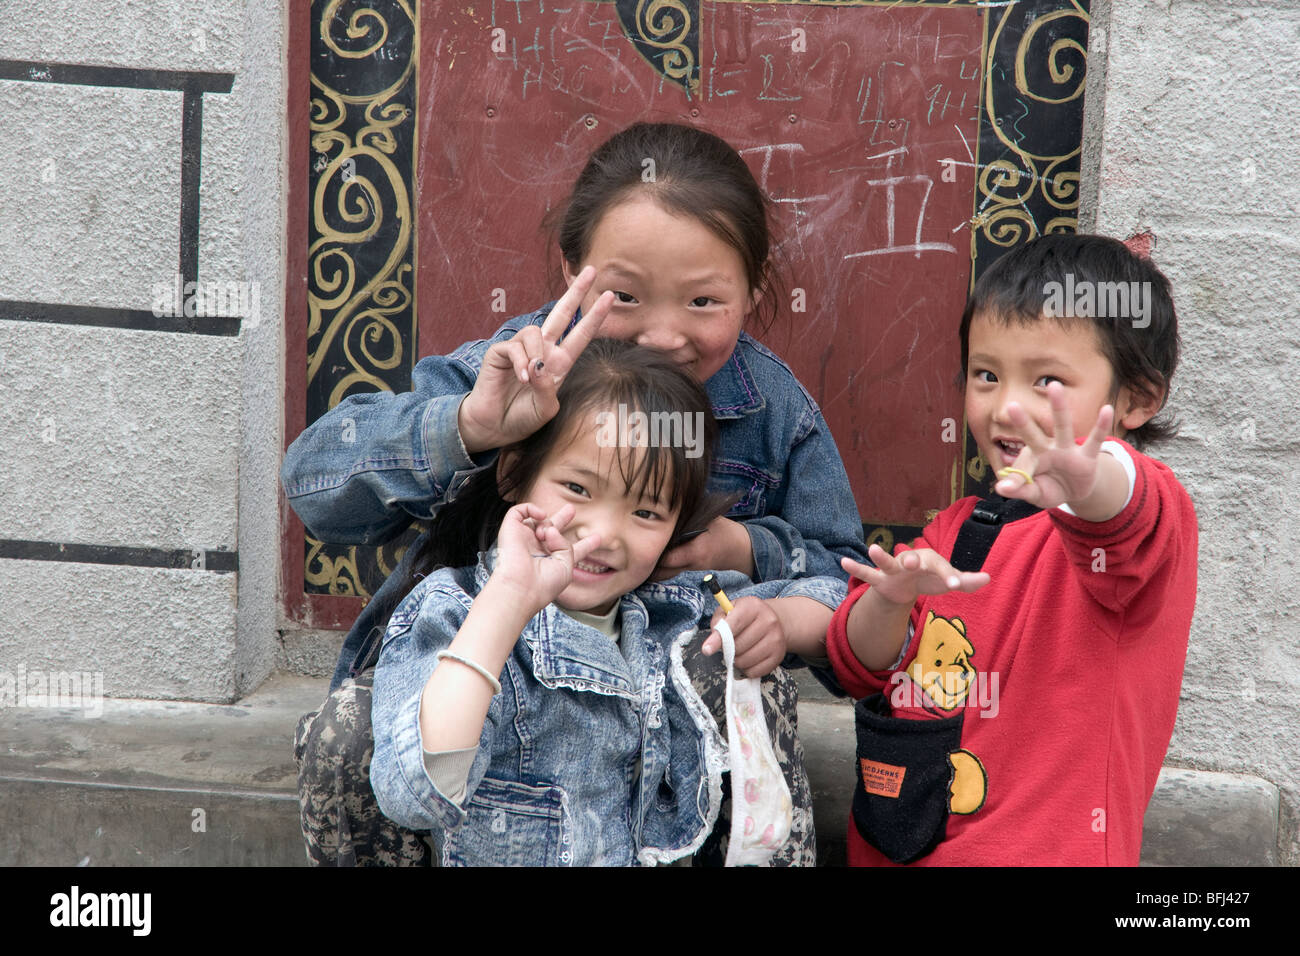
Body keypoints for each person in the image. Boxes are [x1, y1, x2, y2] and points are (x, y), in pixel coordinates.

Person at [284, 121, 866, 865]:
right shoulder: (520, 368)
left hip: (652, 696)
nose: (660, 335)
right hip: (488, 676)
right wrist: (471, 424)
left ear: (752, 288)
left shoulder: (771, 409)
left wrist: (746, 550)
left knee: (751, 686)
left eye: (702, 303)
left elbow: (844, 583)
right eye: (624, 294)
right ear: (572, 271)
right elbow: (313, 486)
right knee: (353, 732)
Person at [369, 338, 841, 865]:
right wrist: (506, 602)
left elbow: (833, 596)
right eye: (577, 488)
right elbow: (414, 791)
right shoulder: (455, 612)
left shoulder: (674, 608)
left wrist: (778, 620)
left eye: (645, 513)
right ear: (514, 473)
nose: (606, 533)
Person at [826, 234, 1197, 866]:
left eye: (1047, 380)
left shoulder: (1134, 531)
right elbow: (857, 666)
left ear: (1135, 399)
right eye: (986, 375)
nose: (1007, 407)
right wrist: (890, 602)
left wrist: (1090, 472)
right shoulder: (957, 530)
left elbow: (1124, 502)